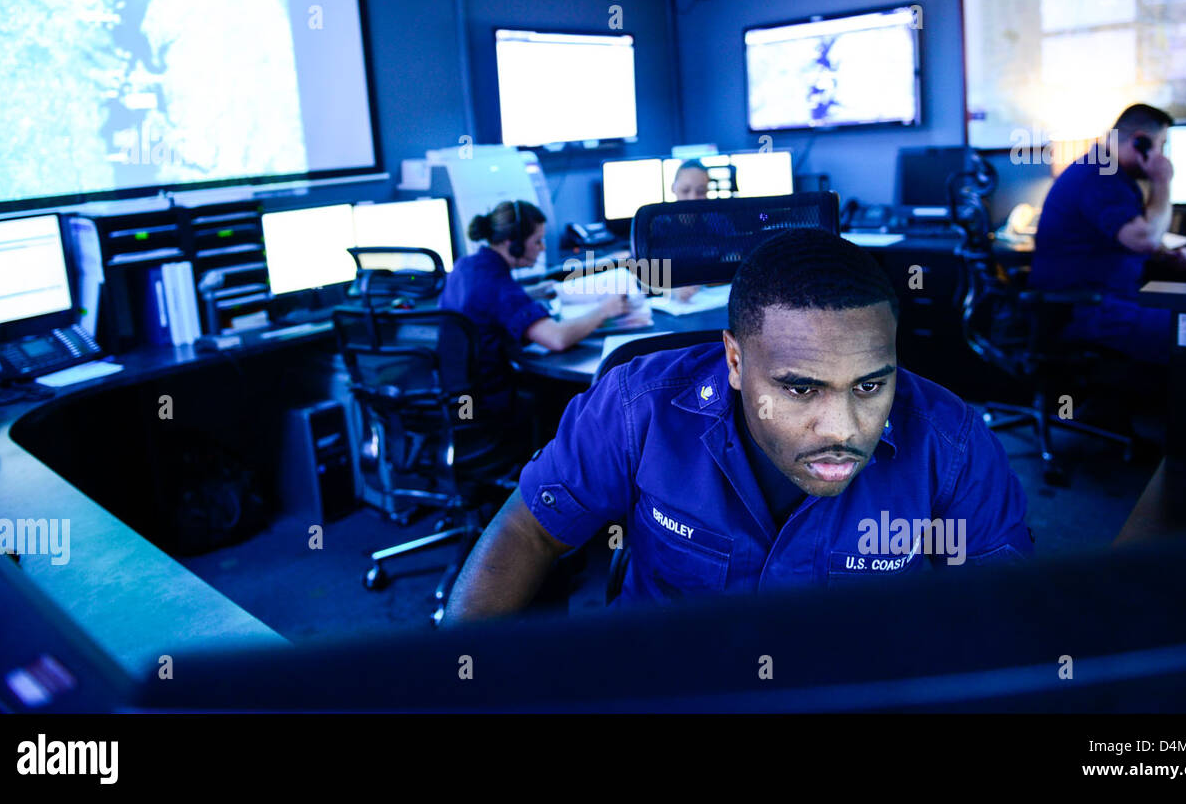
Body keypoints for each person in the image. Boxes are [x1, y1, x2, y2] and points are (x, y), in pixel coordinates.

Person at [444, 228, 1033, 620]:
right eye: (801, 388)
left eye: (870, 385)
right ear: (734, 360)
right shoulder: (637, 407)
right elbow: (531, 530)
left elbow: (1005, 608)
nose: (844, 430)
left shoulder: (950, 439)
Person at [1030, 104, 1186, 364]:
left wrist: (1165, 255)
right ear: (1140, 141)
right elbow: (1145, 239)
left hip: (1104, 303)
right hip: (1092, 311)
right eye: (1161, 144)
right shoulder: (1099, 175)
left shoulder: (1106, 171)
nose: (1164, 154)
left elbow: (1128, 240)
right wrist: (1162, 181)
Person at [439, 200, 628, 413]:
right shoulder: (500, 287)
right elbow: (557, 338)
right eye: (537, 241)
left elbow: (483, 302)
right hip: (487, 403)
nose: (543, 248)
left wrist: (531, 292)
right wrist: (605, 309)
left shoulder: (466, 266)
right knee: (571, 399)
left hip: (460, 398)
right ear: (513, 243)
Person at [668, 160, 710, 303]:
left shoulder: (718, 222)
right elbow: (641, 272)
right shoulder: (656, 225)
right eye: (685, 191)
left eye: (701, 192)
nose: (692, 198)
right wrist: (669, 289)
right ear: (673, 188)